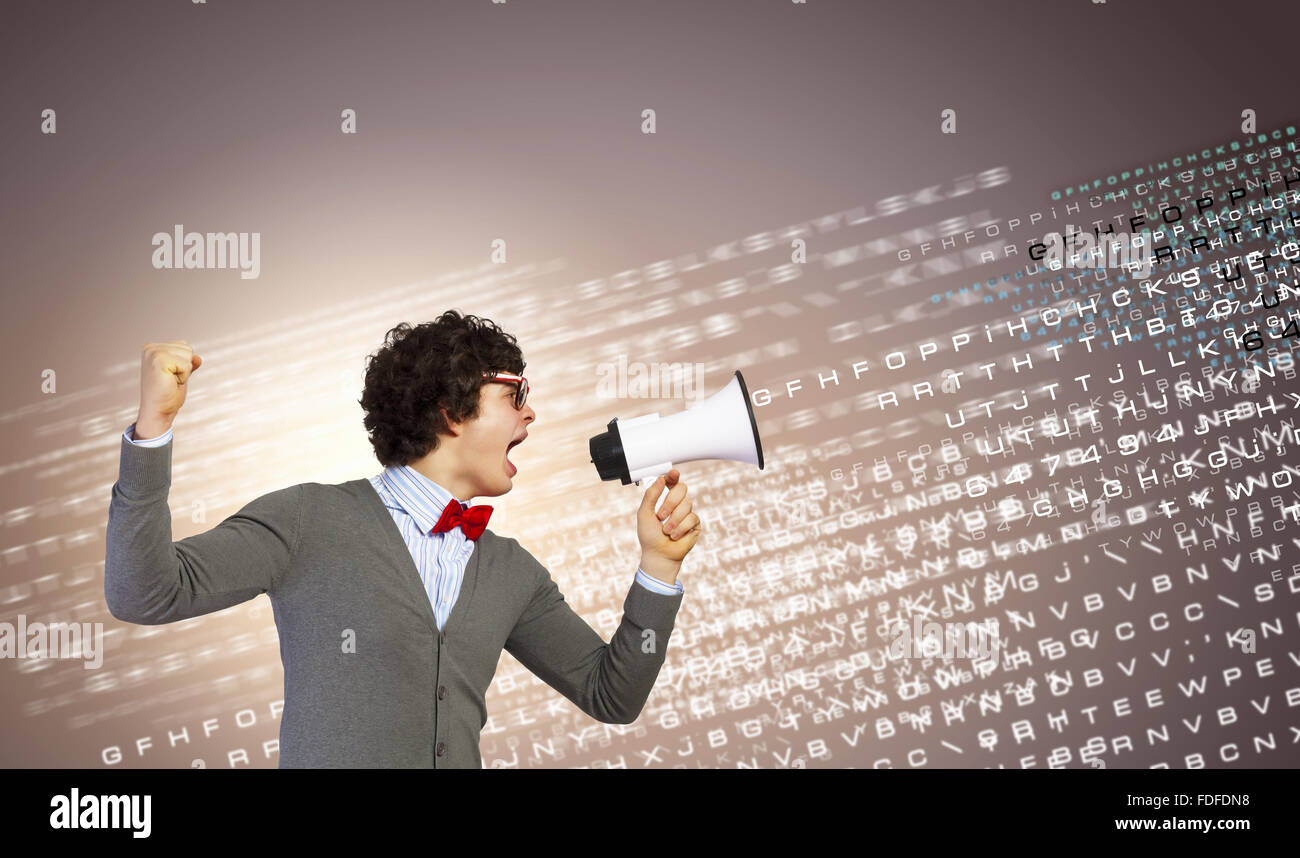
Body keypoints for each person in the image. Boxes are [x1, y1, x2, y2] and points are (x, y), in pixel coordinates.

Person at [105, 311, 702, 767]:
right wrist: (154, 429)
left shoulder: (513, 571)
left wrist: (658, 567)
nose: (531, 414)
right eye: (514, 395)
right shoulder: (307, 518)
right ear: (450, 412)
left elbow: (611, 696)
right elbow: (143, 592)